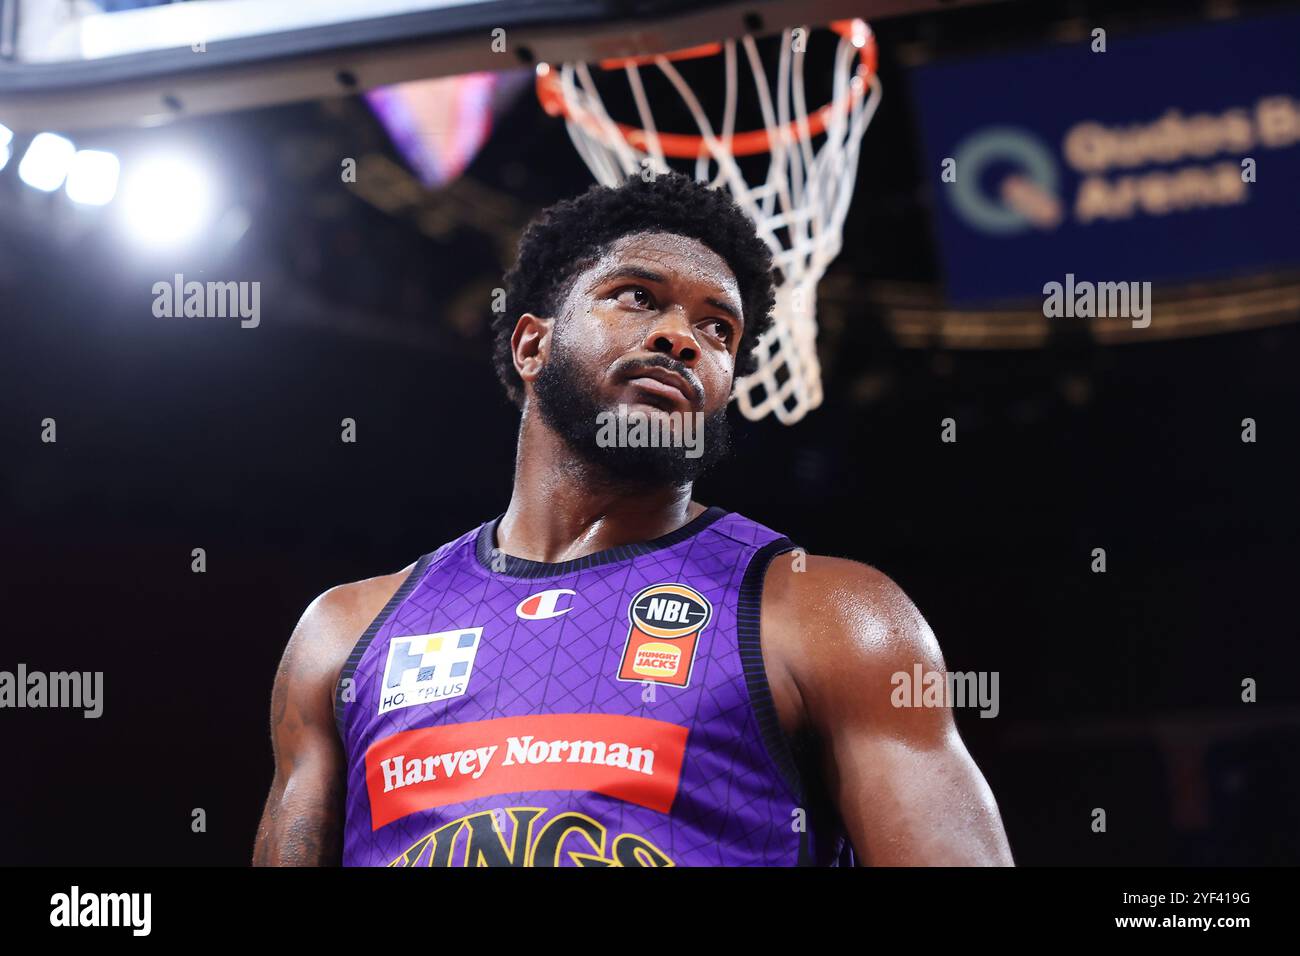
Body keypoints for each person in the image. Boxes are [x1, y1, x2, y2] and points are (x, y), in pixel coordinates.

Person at [253, 172, 1014, 866]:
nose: (683, 337)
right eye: (638, 297)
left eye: (720, 328)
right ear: (532, 344)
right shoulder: (349, 629)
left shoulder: (830, 616)